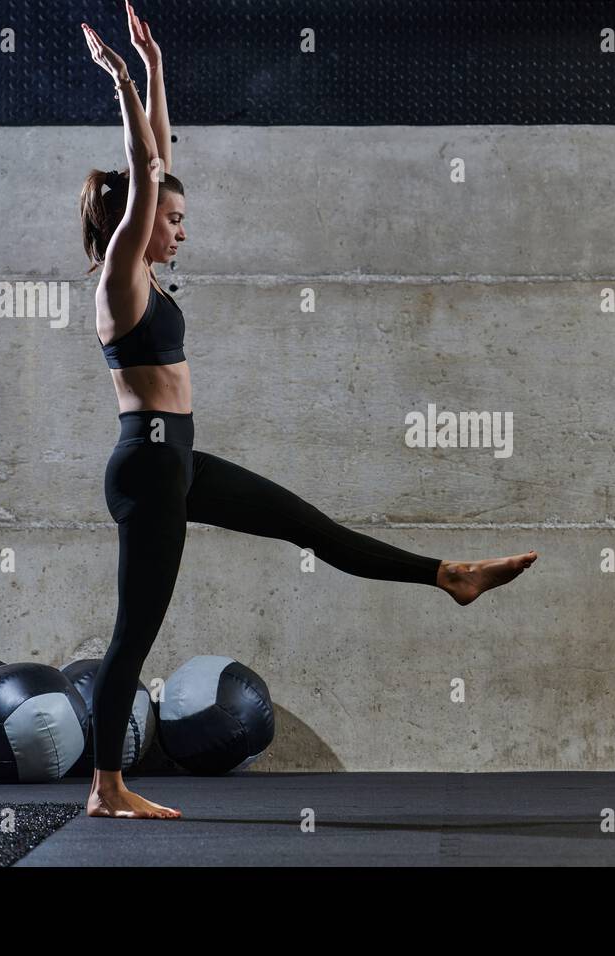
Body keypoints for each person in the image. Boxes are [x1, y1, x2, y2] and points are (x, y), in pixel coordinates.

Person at [79, 3, 537, 820]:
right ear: (136, 226)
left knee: (311, 528)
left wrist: (153, 67)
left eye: (180, 220)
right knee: (133, 636)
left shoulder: (146, 274)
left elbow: (161, 164)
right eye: (173, 223)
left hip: (175, 460)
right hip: (148, 469)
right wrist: (121, 87)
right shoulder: (119, 278)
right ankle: (106, 787)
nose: (181, 232)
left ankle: (450, 577)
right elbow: (147, 174)